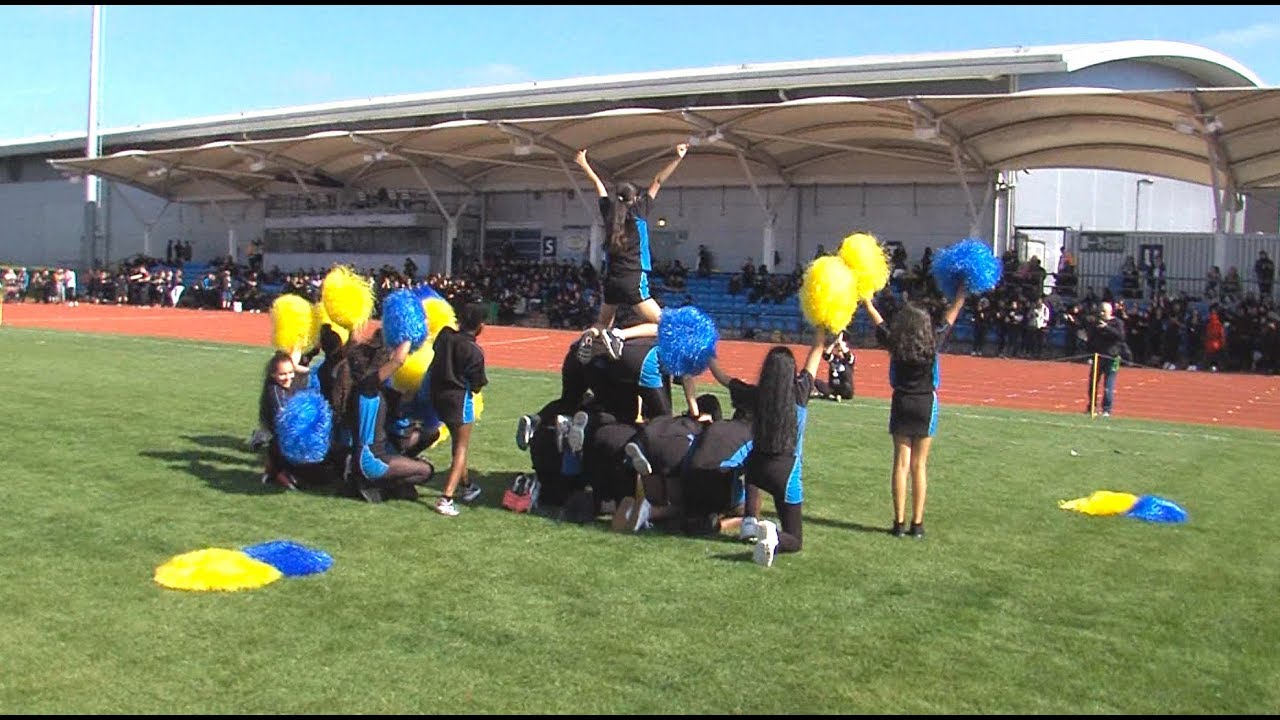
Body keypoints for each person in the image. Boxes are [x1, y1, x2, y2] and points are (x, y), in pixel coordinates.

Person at [706, 330, 826, 567]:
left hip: (757, 467)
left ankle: (750, 520)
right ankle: (774, 537)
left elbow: (723, 377)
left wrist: (707, 353)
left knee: (751, 467)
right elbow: (816, 353)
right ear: (791, 372)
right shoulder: (800, 392)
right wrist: (822, 329)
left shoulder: (755, 395)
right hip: (786, 471)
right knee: (795, 539)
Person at [861, 283, 968, 539]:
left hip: (901, 402)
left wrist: (866, 302)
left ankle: (898, 524)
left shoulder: (895, 343)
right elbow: (952, 315)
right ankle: (917, 525)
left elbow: (879, 323)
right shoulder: (933, 342)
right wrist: (961, 293)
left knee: (900, 464)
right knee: (919, 466)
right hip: (925, 405)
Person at [573, 143, 688, 361]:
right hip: (633, 277)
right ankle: (619, 335)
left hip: (611, 280)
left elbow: (598, 184)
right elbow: (658, 181)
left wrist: (584, 163)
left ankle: (589, 336)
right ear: (635, 199)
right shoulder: (639, 211)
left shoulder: (608, 213)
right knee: (664, 325)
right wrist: (677, 158)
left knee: (601, 322)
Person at [428, 302, 489, 516]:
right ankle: (446, 497)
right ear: (480, 325)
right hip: (458, 399)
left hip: (436, 396)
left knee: (457, 444)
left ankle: (466, 485)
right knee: (461, 447)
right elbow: (478, 383)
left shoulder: (445, 336)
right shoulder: (474, 351)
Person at [253, 351, 301, 490]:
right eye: (282, 374)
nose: (288, 377)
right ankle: (275, 470)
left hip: (283, 439)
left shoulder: (290, 386)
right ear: (273, 375)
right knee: (294, 484)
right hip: (280, 440)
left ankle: (273, 468)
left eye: (291, 372)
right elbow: (284, 418)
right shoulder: (274, 392)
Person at [1084, 301, 1129, 416]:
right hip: (1098, 357)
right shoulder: (1096, 323)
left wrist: (1107, 327)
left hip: (1113, 357)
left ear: (1110, 311)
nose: (1102, 313)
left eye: (1104, 310)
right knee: (1093, 383)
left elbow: (1121, 337)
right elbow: (1091, 339)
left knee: (1109, 384)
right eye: (1100, 310)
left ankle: (1106, 409)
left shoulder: (1117, 323)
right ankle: (1091, 407)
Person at [814, 332, 854, 401]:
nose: (839, 352)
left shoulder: (849, 360)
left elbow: (847, 355)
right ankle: (833, 396)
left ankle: (832, 396)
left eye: (841, 350)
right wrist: (834, 343)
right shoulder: (834, 358)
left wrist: (841, 342)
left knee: (847, 386)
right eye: (838, 350)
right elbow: (826, 355)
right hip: (833, 388)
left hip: (844, 388)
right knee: (817, 382)